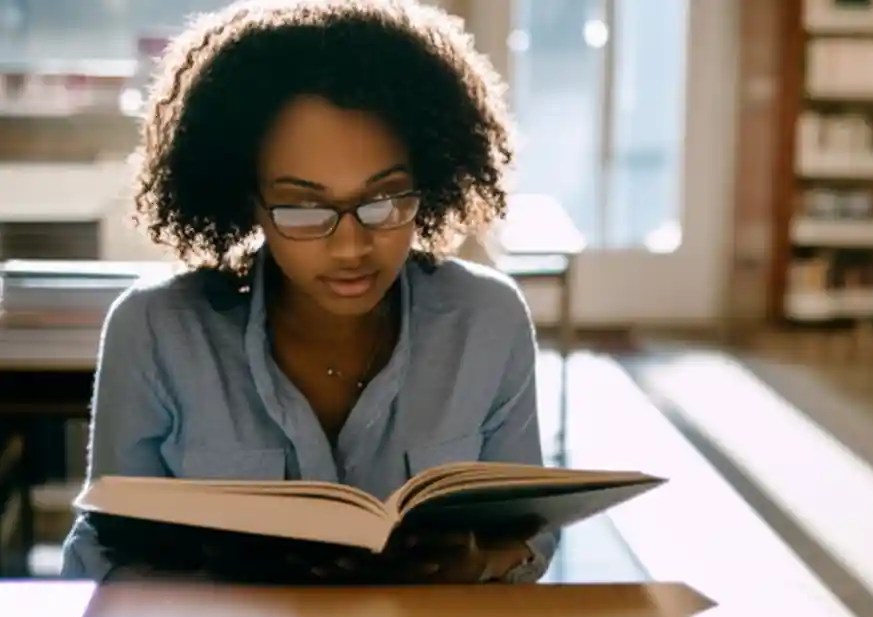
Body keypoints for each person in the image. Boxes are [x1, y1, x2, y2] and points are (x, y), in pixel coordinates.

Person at [60, 0, 553, 583]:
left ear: (430, 178)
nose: (350, 246)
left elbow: (530, 533)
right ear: (249, 199)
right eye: (302, 208)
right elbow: (103, 550)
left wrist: (482, 561)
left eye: (383, 201)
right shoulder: (156, 330)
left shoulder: (487, 320)